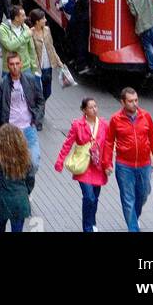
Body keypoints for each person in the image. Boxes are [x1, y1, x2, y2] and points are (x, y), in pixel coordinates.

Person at [103, 87, 153, 233]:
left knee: (143, 193)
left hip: (144, 164)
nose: (134, 104)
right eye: (130, 101)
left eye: (136, 100)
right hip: (124, 166)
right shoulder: (116, 119)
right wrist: (107, 163)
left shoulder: (146, 116)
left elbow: (152, 138)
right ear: (123, 102)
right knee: (128, 198)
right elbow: (109, 142)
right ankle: (133, 228)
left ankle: (134, 217)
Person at [54, 95, 109, 232]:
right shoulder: (77, 125)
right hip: (83, 166)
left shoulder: (103, 124)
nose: (94, 110)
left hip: (98, 166)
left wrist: (109, 164)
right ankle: (88, 228)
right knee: (89, 196)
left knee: (95, 198)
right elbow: (68, 144)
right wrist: (60, 161)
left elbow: (109, 145)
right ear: (84, 110)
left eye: (95, 106)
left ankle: (92, 221)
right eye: (90, 107)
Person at [0, 50, 44, 173]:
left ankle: (26, 188)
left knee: (34, 163)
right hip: (11, 131)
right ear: (7, 65)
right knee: (9, 166)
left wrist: (37, 119)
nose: (15, 67)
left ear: (21, 64)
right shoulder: (2, 84)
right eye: (12, 64)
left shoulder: (31, 80)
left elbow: (40, 101)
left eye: (17, 63)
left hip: (28, 128)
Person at [0, 124, 36, 234]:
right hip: (21, 202)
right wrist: (25, 191)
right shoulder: (26, 158)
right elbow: (31, 178)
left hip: (2, 202)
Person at [58, 0, 91, 73]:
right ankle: (81, 66)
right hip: (80, 22)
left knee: (72, 40)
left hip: (72, 20)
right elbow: (83, 10)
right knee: (81, 43)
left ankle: (72, 59)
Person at [29, 7, 64, 101]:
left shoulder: (47, 30)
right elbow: (31, 51)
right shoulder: (30, 33)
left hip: (48, 66)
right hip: (37, 67)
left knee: (47, 92)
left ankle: (41, 104)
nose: (45, 20)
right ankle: (39, 108)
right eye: (43, 19)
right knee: (37, 91)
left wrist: (59, 62)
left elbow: (51, 47)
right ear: (37, 21)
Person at [0, 2, 38, 75]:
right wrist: (25, 35)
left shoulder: (25, 27)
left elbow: (31, 48)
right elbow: (10, 46)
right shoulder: (2, 29)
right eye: (23, 16)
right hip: (9, 69)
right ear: (16, 18)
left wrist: (34, 67)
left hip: (25, 68)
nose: (25, 17)